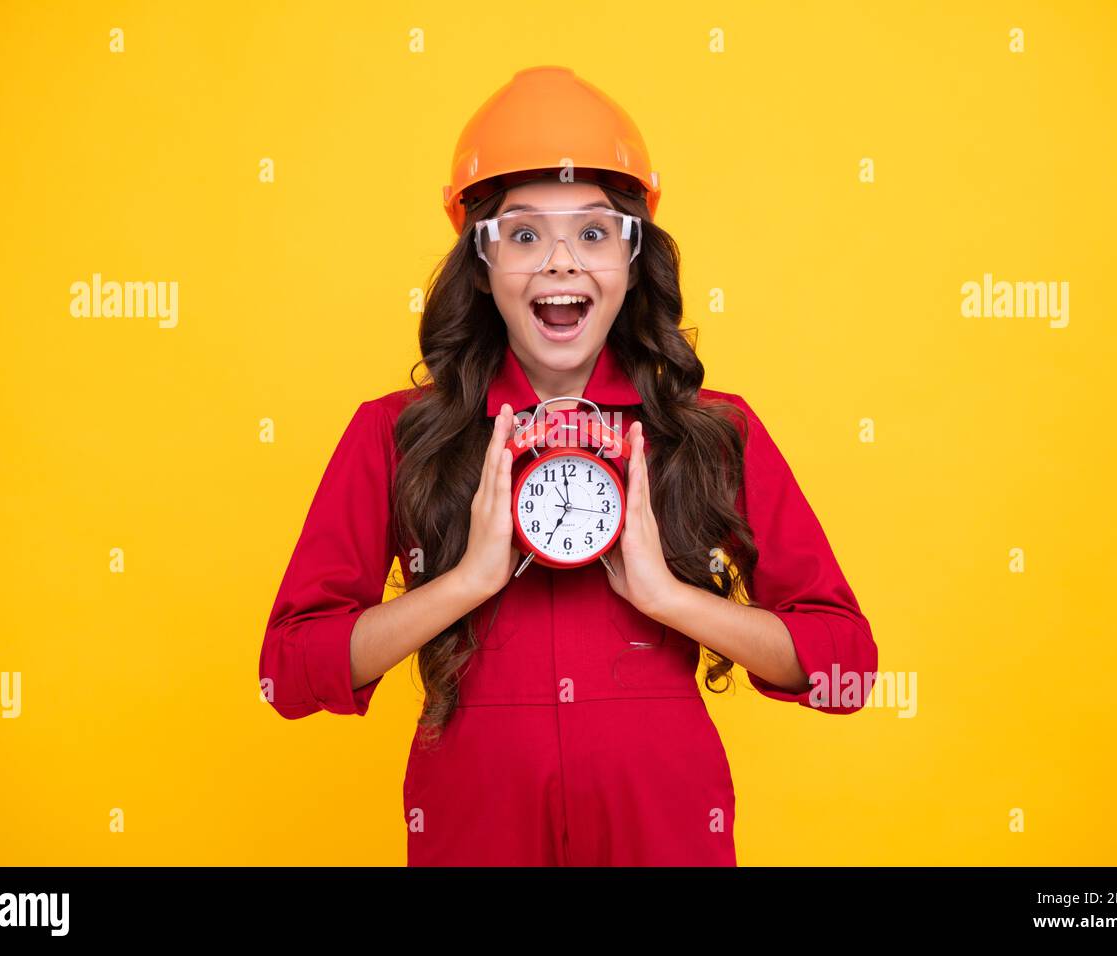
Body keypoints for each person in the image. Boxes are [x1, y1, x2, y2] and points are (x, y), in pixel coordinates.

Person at [259, 66, 877, 866]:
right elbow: (288, 674)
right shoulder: (395, 434)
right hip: (472, 824)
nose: (560, 262)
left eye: (592, 232)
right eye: (523, 234)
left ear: (631, 258)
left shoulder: (713, 430)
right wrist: (465, 583)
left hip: (667, 821)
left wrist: (667, 597)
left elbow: (847, 670)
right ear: (481, 265)